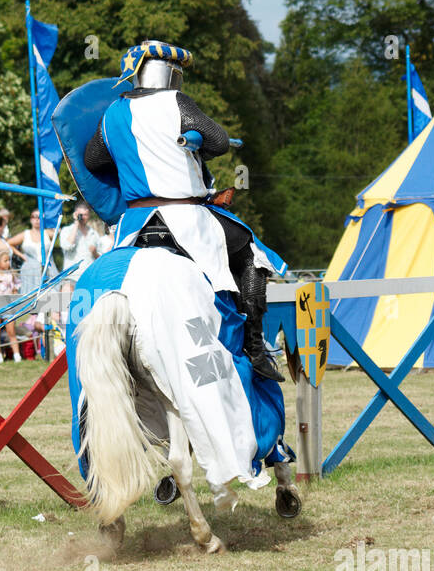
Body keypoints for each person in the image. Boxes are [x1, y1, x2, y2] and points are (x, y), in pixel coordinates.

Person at [83, 39, 284, 381]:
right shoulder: (175, 101)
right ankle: (255, 348)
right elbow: (219, 141)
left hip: (134, 225)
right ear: (170, 73)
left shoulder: (113, 113)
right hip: (185, 219)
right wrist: (199, 147)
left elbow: (93, 159)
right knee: (252, 252)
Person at [8, 209, 57, 296]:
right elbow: (9, 243)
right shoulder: (25, 234)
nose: (37, 219)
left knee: (52, 297)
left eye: (39, 217)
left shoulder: (48, 233)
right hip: (30, 269)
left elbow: (60, 231)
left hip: (48, 269)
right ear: (31, 219)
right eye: (34, 217)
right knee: (30, 295)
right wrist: (21, 255)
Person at [59, 204, 102, 286]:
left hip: (89, 277)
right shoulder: (67, 230)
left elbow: (101, 258)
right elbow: (67, 246)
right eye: (81, 215)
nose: (83, 217)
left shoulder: (94, 233)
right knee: (66, 296)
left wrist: (94, 253)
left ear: (89, 216)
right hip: (71, 277)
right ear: (75, 214)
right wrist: (76, 224)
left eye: (85, 215)